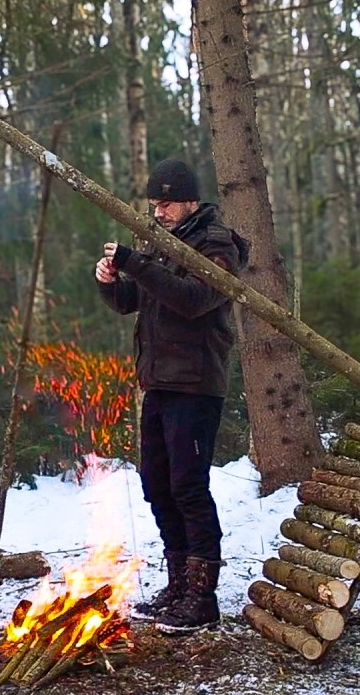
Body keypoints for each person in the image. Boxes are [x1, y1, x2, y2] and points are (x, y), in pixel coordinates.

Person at [94, 159, 250, 634]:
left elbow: (193, 299)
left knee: (188, 486)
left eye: (165, 203)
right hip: (158, 382)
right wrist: (109, 281)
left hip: (196, 383)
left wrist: (134, 261)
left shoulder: (215, 243)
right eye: (154, 204)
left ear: (188, 201)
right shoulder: (164, 244)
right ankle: (179, 583)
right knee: (157, 486)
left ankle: (202, 596)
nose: (158, 212)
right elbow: (133, 302)